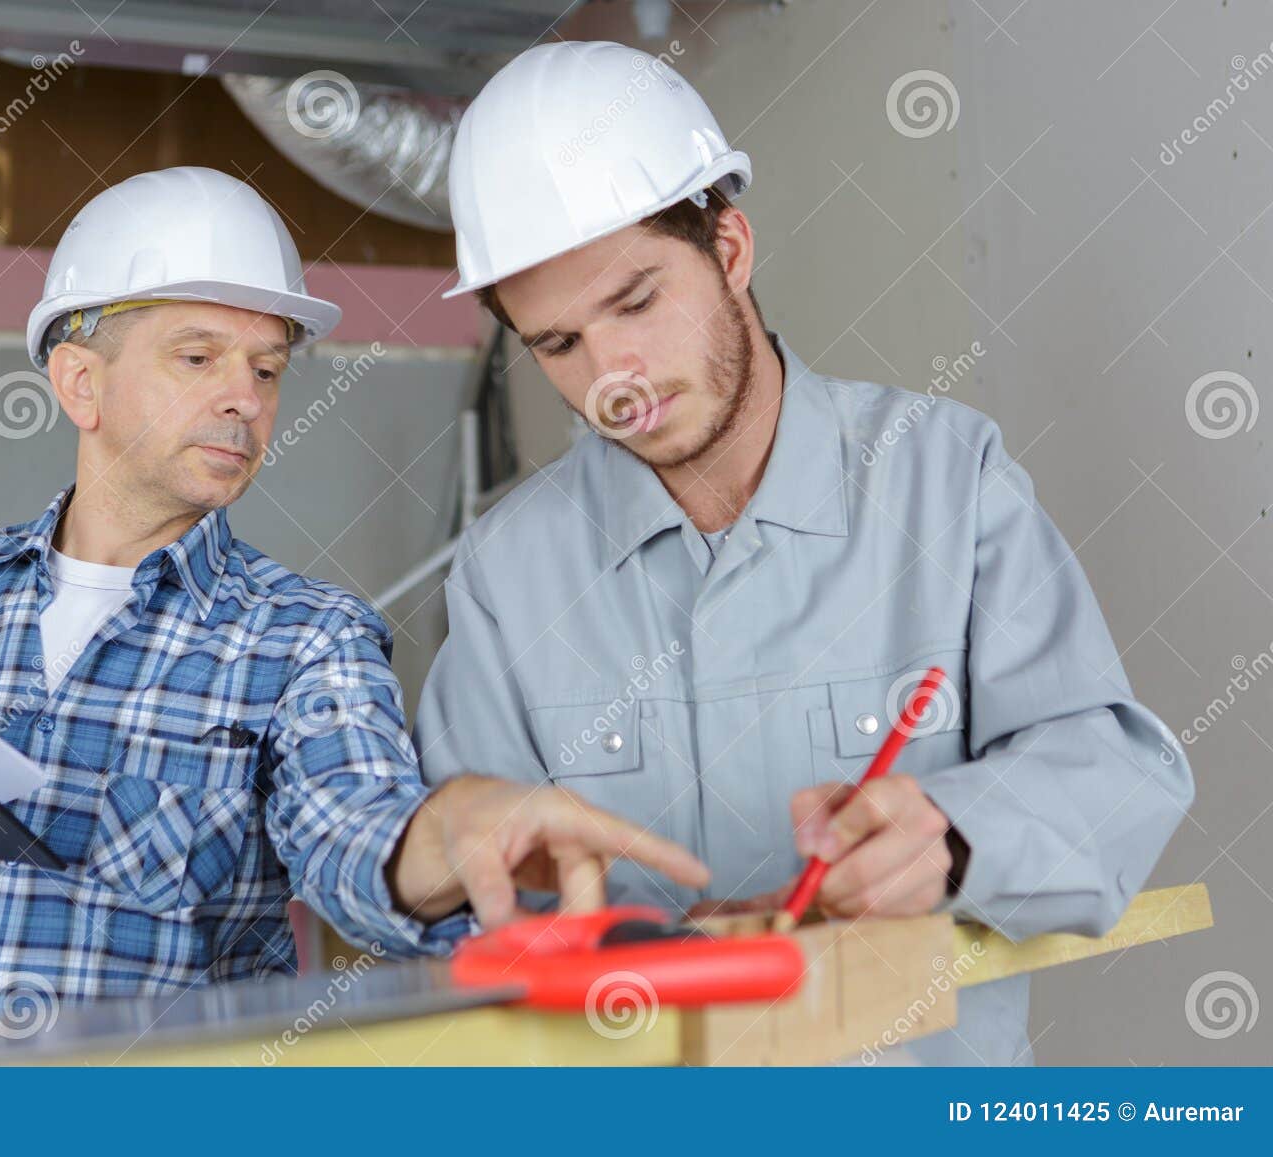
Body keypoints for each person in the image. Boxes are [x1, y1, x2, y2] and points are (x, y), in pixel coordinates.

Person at [0, 166, 708, 1041]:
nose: (244, 397)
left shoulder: (306, 639)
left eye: (267, 368)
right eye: (199, 357)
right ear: (79, 383)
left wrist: (452, 828)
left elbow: (357, 840)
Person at [414, 42, 1194, 1065]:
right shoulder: (505, 575)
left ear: (729, 247)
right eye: (558, 344)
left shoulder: (945, 480)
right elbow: (458, 906)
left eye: (636, 302)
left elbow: (1119, 776)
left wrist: (953, 835)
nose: (613, 376)